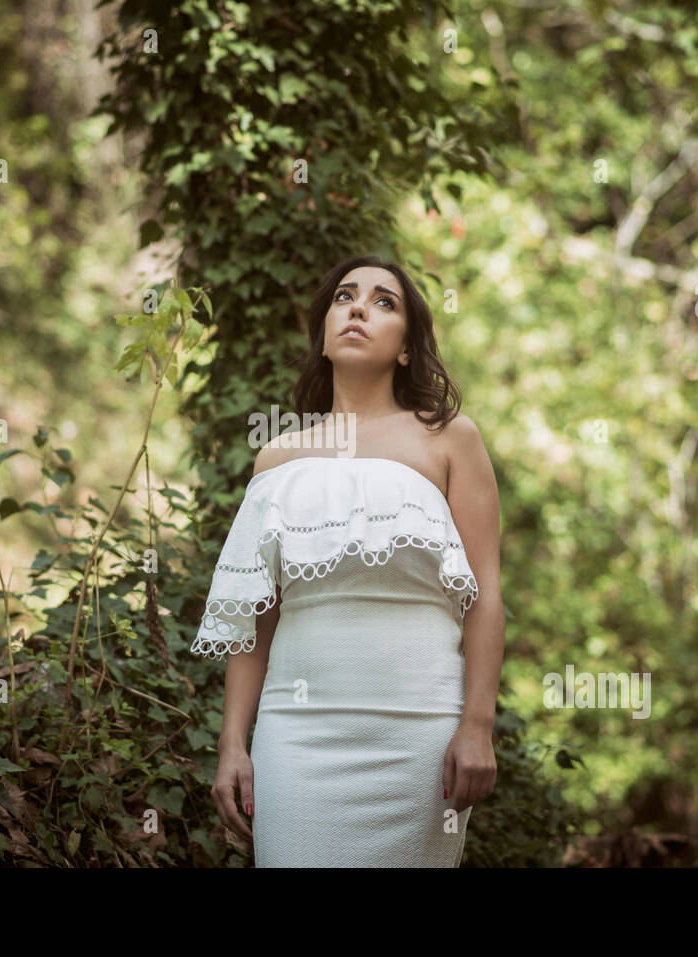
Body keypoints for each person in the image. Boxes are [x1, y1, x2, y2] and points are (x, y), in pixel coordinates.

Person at [190, 255, 503, 866]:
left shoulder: (449, 437)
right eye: (344, 297)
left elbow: (486, 594)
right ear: (325, 334)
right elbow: (258, 616)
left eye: (385, 302)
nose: (359, 307)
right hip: (296, 737)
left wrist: (478, 725)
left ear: (408, 348)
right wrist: (233, 743)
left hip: (419, 734)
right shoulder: (277, 458)